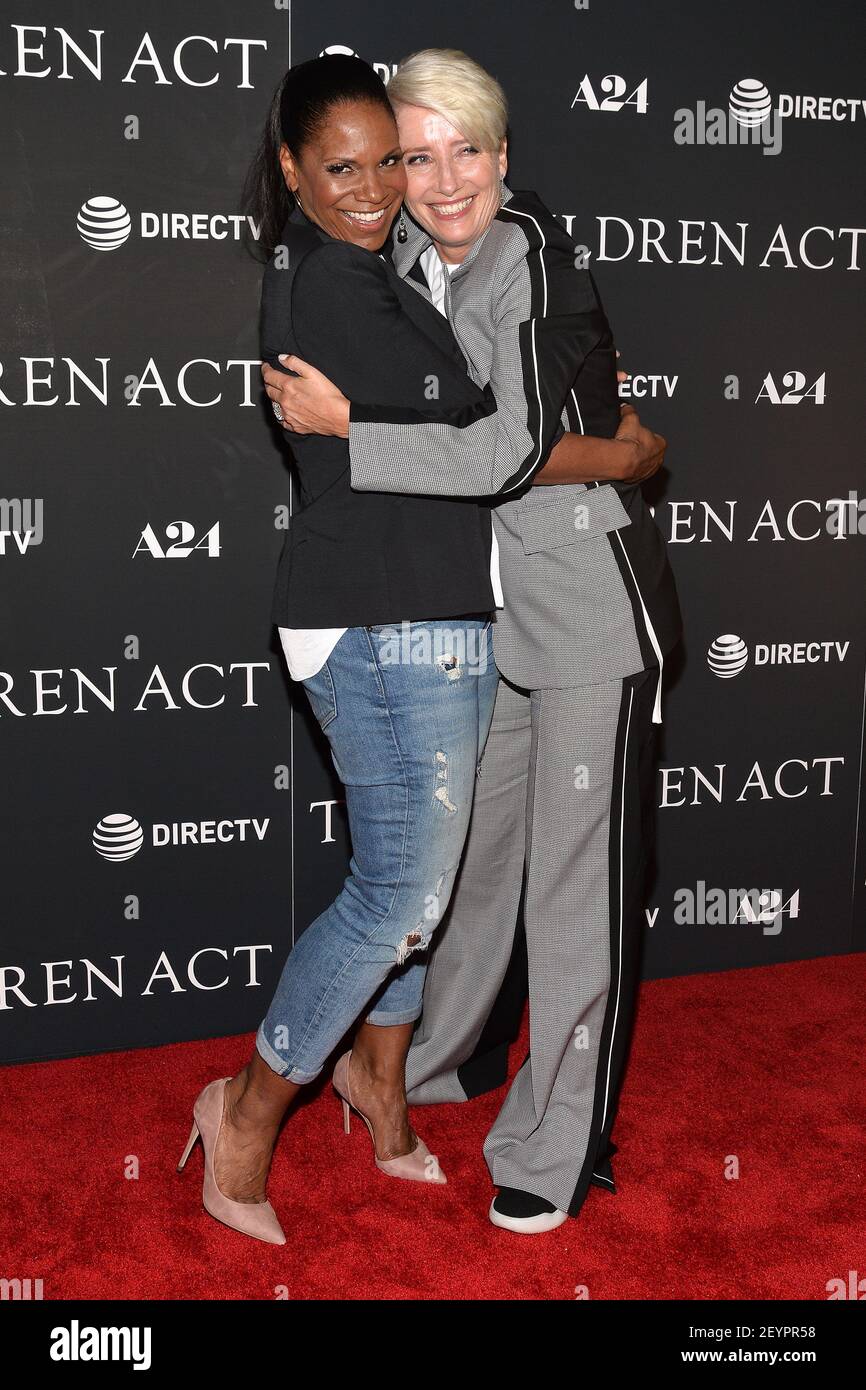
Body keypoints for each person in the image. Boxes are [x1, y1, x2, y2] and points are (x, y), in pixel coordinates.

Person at [180, 53, 663, 1244]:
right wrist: (606, 449)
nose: (428, 179)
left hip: (574, 606)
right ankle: (413, 1075)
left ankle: (553, 1147)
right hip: (452, 614)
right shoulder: (378, 259)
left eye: (458, 151)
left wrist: (613, 456)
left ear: (503, 158)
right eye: (407, 152)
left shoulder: (526, 248)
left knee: (558, 898)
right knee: (449, 885)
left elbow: (511, 440)